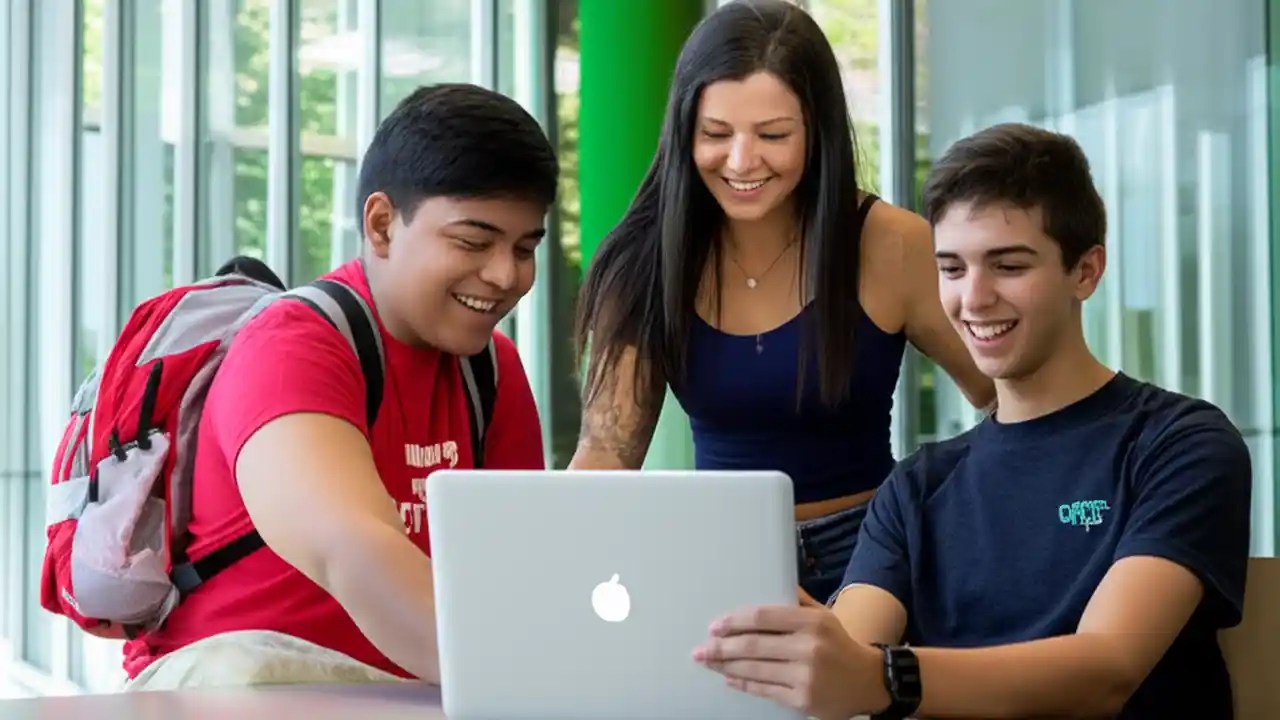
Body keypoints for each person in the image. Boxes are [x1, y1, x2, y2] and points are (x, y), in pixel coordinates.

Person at [691, 122, 1253, 719]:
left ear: (1085, 272)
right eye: (952, 269)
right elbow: (850, 653)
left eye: (1008, 267)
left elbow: (1105, 670)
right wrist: (803, 649)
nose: (973, 299)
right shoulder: (917, 487)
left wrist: (886, 676)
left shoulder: (1179, 443)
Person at [122, 83, 557, 690]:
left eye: (525, 248)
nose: (506, 275)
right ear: (381, 225)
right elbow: (349, 547)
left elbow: (519, 570)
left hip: (410, 691)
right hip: (252, 688)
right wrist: (536, 684)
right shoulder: (291, 343)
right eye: (473, 242)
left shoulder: (491, 370)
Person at [570, 0, 993, 605]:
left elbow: (1007, 396)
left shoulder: (892, 245)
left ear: (816, 131)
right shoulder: (644, 259)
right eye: (715, 135)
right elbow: (607, 454)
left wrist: (946, 504)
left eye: (772, 135)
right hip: (720, 559)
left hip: (877, 556)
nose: (742, 162)